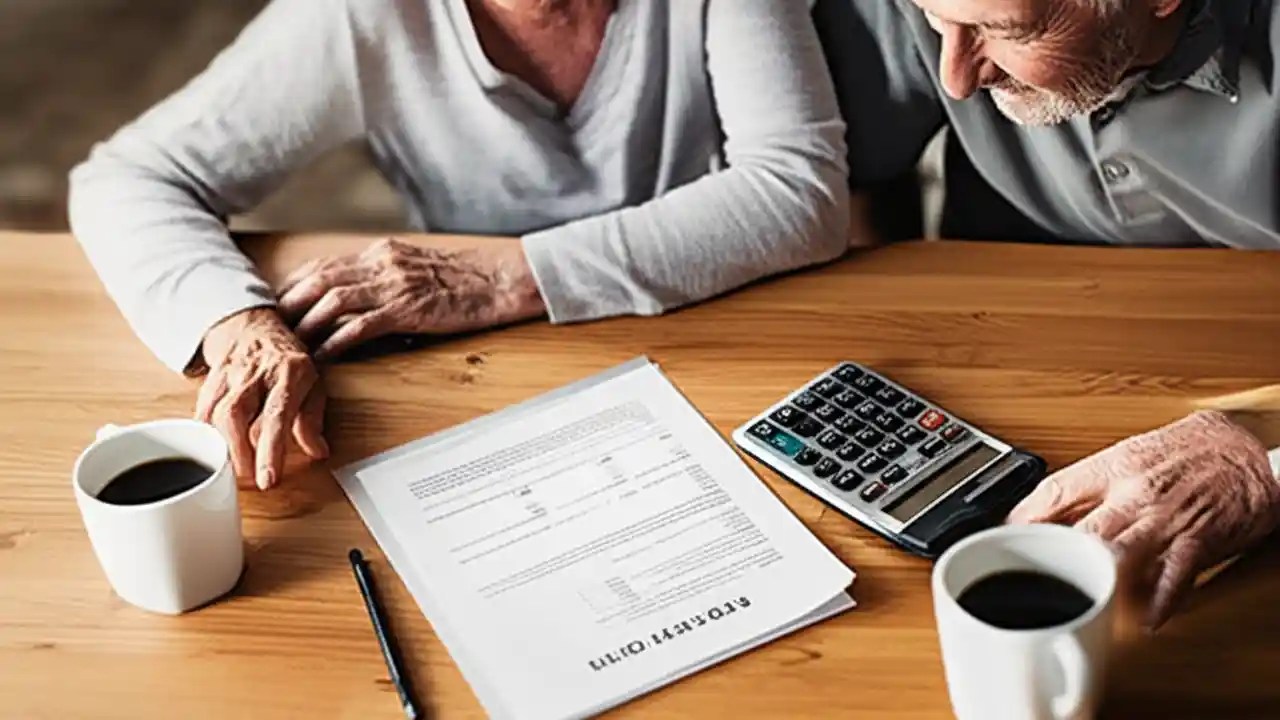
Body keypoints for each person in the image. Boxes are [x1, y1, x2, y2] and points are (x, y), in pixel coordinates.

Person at [68, 0, 851, 492]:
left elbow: (800, 193)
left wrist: (500, 278)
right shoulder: (356, 16)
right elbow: (127, 178)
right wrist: (238, 324)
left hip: (716, 328)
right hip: (481, 379)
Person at [816, 0, 1280, 629]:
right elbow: (850, 178)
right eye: (934, 19)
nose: (956, 79)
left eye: (1003, 32)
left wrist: (1263, 465)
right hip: (995, 366)